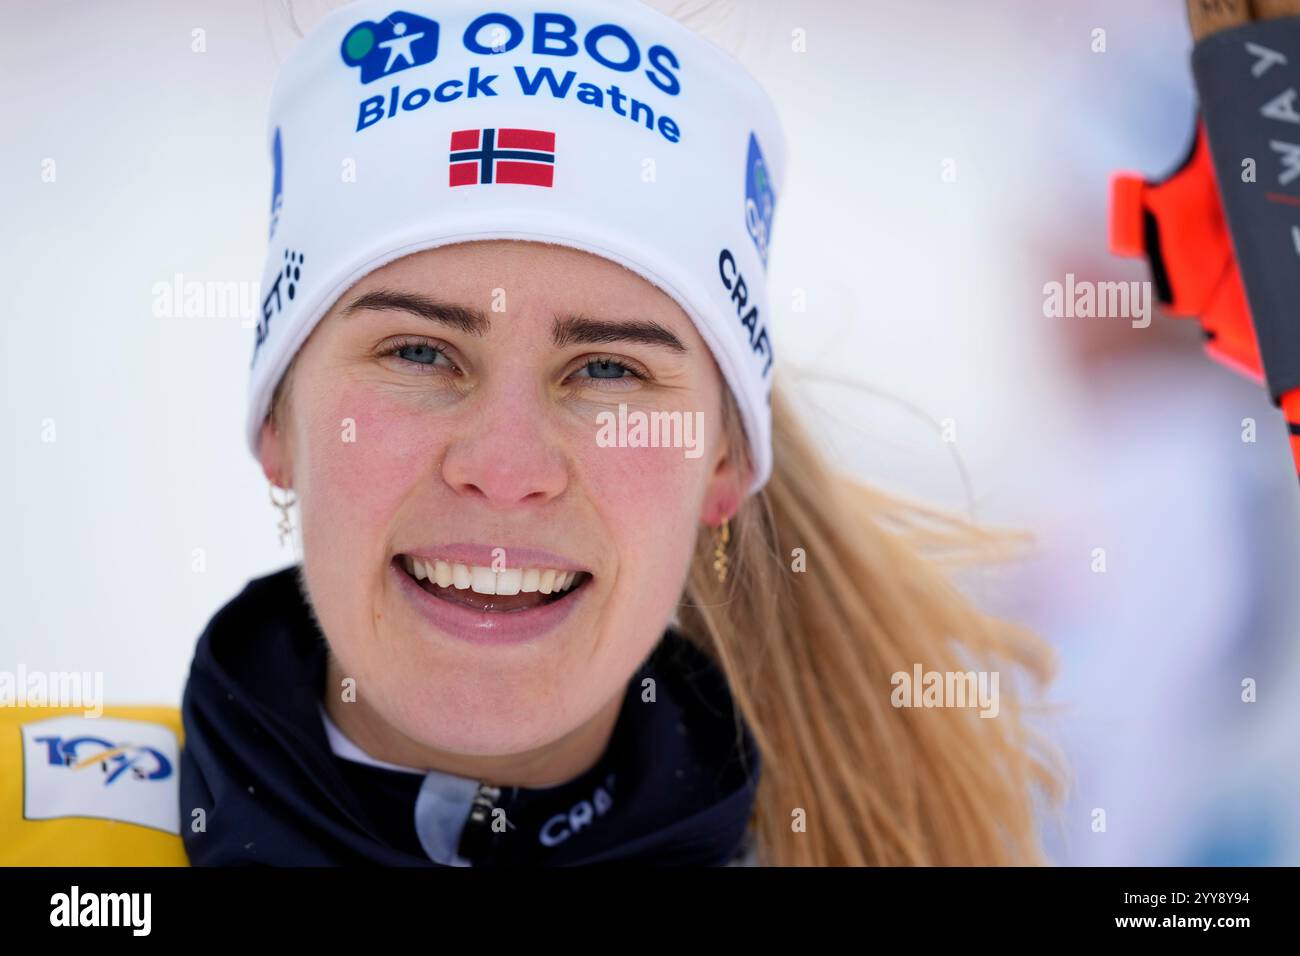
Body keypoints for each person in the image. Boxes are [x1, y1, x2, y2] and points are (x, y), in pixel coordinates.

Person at [5, 0, 1068, 867]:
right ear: (278, 419)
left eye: (605, 369)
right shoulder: (39, 830)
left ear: (725, 463)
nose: (503, 468)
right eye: (420, 354)